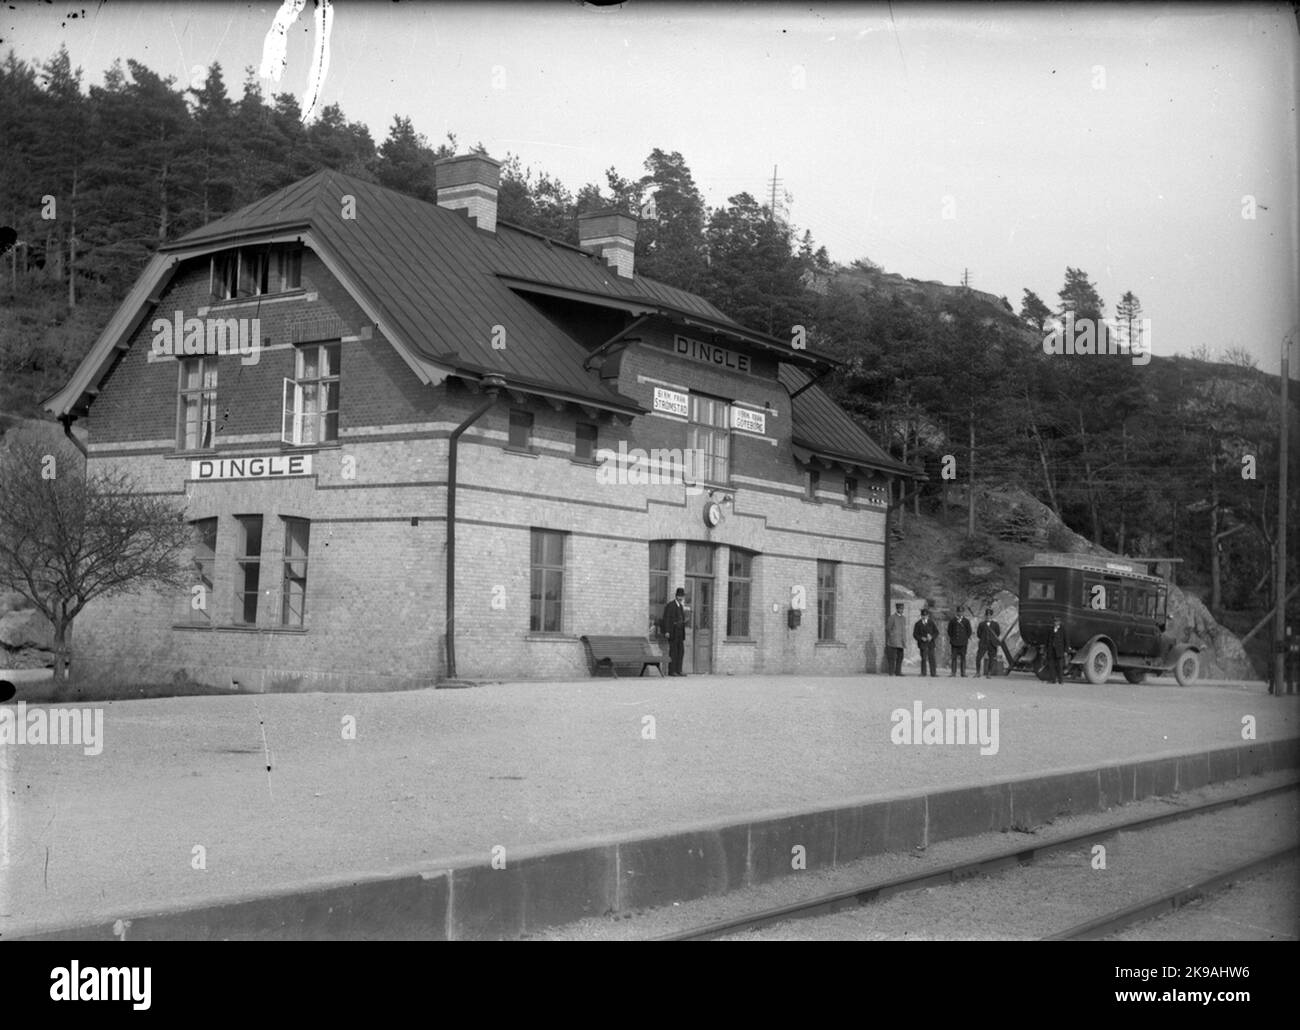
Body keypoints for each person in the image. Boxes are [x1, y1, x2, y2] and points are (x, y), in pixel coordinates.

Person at [661, 587, 687, 676]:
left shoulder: (681, 606)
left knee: (681, 651)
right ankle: (672, 671)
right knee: (673, 652)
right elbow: (666, 619)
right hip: (673, 632)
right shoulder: (670, 605)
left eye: (682, 596)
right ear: (676, 596)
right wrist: (667, 631)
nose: (681, 598)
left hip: (680, 633)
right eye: (679, 596)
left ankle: (679, 670)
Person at [947, 606, 973, 677]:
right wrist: (953, 638)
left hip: (963, 642)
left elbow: (969, 631)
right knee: (954, 658)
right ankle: (953, 672)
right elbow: (949, 631)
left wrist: (965, 638)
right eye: (959, 612)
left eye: (961, 612)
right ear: (957, 612)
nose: (960, 613)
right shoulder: (952, 620)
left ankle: (963, 672)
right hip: (954, 642)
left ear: (963, 612)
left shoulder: (966, 621)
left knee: (963, 658)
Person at [976, 607, 1002, 678]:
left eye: (989, 615)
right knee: (978, 657)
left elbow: (998, 633)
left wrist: (992, 639)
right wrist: (983, 638)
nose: (988, 616)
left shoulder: (995, 624)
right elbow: (978, 634)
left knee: (991, 659)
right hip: (983, 643)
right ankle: (978, 672)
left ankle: (989, 673)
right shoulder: (981, 624)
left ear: (992, 616)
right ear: (985, 615)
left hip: (992, 644)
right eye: (987, 615)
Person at [913, 607, 939, 676]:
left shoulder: (931, 623)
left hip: (931, 644)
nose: (924, 617)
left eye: (926, 615)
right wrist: (921, 638)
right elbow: (915, 634)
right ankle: (923, 673)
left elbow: (936, 632)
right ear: (921, 616)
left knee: (932, 658)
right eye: (923, 615)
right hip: (922, 644)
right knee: (924, 658)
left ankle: (933, 673)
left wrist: (932, 637)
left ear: (928, 616)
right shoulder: (918, 624)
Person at [885, 602, 907, 675]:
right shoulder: (892, 617)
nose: (901, 610)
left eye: (902, 608)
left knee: (900, 657)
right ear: (897, 609)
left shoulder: (903, 618)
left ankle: (898, 671)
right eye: (900, 608)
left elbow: (903, 629)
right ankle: (891, 672)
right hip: (893, 641)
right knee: (892, 657)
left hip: (901, 641)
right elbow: (888, 628)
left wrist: (904, 639)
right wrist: (892, 635)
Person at [1045, 615, 1067, 684]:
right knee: (1051, 666)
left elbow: (1066, 640)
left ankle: (1061, 680)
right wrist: (1046, 649)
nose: (1055, 623)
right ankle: (1053, 680)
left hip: (1059, 651)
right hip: (1051, 650)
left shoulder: (1063, 629)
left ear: (1059, 622)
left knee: (1060, 666)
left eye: (1057, 621)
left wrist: (1066, 651)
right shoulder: (1050, 629)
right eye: (1054, 621)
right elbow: (1047, 640)